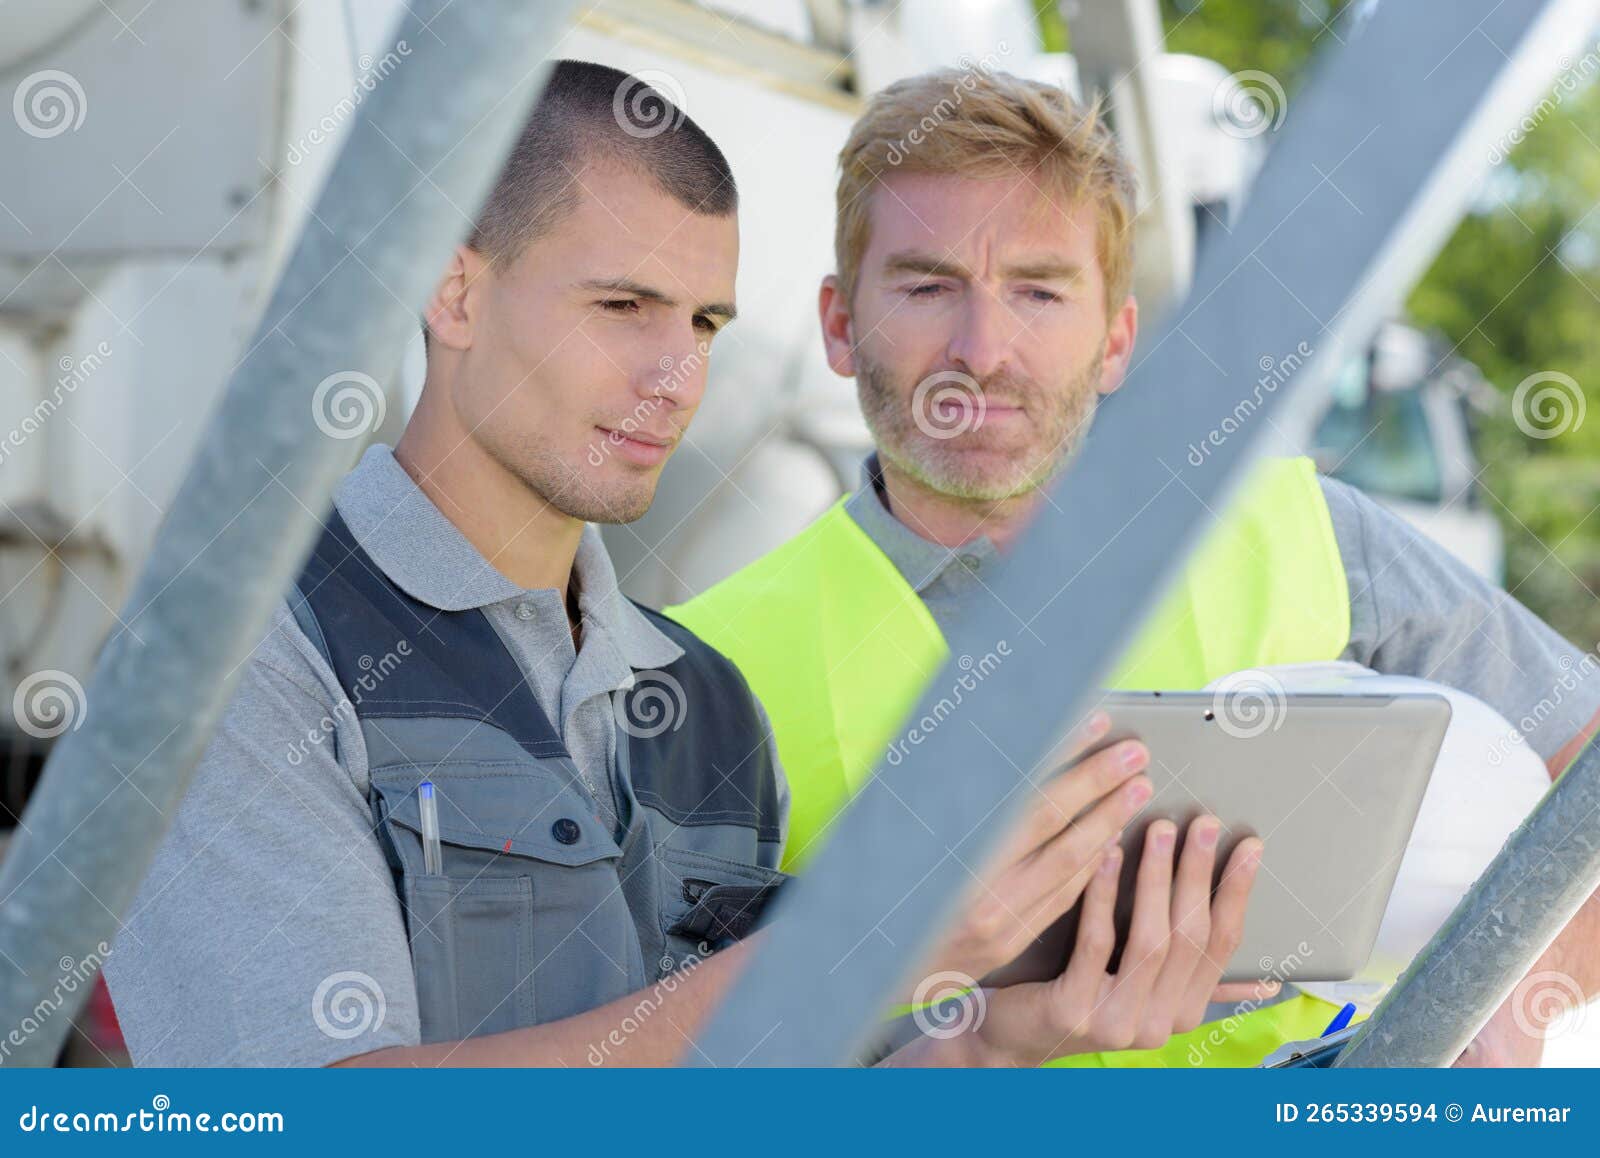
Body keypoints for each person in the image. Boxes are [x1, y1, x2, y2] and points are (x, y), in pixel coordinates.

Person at [103, 61, 1262, 1068]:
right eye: (623, 306)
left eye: (703, 323)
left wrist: (996, 1036)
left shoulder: (704, 701)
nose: (675, 377)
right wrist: (859, 942)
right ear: (452, 291)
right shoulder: (228, 658)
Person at [668, 66, 1600, 1067]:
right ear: (842, 326)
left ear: (1115, 339)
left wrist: (1490, 1019)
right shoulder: (699, 673)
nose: (982, 350)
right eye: (929, 287)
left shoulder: (1312, 537)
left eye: (1037, 290)